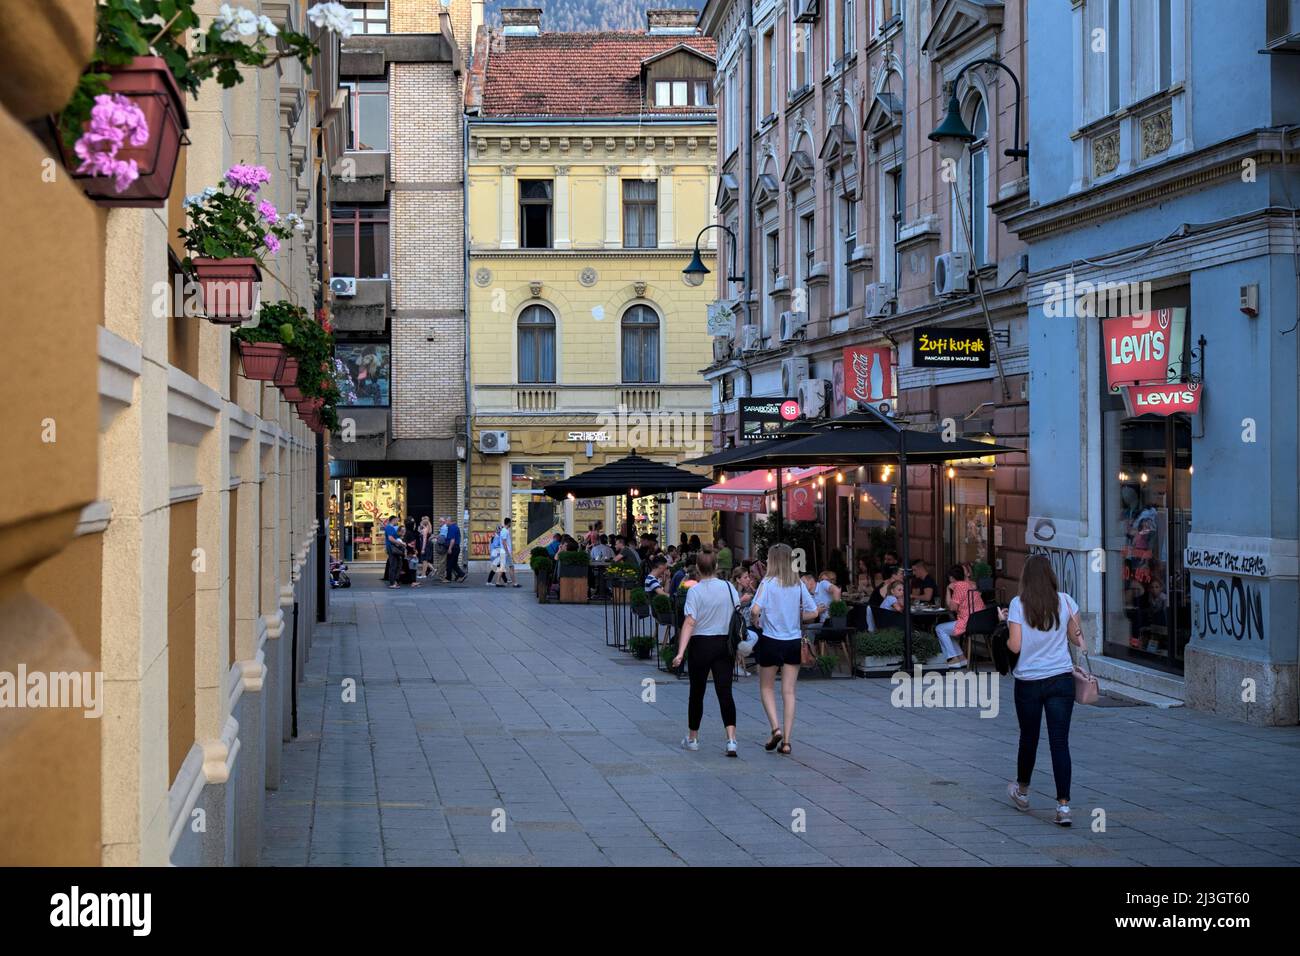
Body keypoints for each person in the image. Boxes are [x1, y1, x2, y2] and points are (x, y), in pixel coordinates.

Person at [1006, 554, 1086, 827]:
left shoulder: (1018, 604)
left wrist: (1005, 627)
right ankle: (1063, 806)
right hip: (1060, 679)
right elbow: (1079, 640)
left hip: (1028, 681)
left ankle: (1023, 792)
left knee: (1028, 738)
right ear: (1050, 575)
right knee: (1059, 742)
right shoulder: (1065, 601)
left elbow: (1015, 647)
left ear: (1026, 578)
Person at [671, 551, 742, 757]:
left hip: (701, 644)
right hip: (724, 644)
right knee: (725, 691)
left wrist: (680, 652)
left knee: (697, 692)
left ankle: (693, 738)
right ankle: (731, 739)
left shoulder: (695, 591)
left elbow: (690, 622)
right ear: (717, 566)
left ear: (698, 568)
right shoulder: (729, 587)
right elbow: (736, 611)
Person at [750, 543, 818, 756]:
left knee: (766, 688)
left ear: (772, 561)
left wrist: (756, 619)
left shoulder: (767, 583)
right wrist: (796, 618)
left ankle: (775, 728)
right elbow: (814, 612)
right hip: (792, 642)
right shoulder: (797, 584)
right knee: (789, 691)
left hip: (770, 640)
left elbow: (754, 609)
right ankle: (787, 741)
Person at [935, 564, 984, 667]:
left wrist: (948, 590)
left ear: (951, 577)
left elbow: (952, 608)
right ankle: (961, 658)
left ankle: (954, 658)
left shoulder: (959, 586)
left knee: (940, 628)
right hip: (980, 620)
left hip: (968, 621)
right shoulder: (970, 584)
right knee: (947, 631)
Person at [496, 517, 520, 587]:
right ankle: (514, 583)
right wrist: (508, 552)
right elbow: (504, 542)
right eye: (511, 523)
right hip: (505, 552)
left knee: (502, 567)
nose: (511, 524)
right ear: (509, 523)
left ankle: (498, 582)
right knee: (511, 567)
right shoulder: (505, 531)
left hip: (503, 552)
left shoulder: (504, 530)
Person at [383, 515, 405, 589]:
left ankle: (394, 581)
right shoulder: (389, 527)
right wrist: (401, 543)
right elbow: (390, 538)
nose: (397, 521)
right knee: (393, 565)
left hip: (393, 548)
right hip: (392, 548)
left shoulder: (391, 527)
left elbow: (394, 537)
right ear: (393, 520)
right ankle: (392, 583)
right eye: (397, 520)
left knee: (397, 564)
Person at [443, 515, 465, 582]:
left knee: (449, 563)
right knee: (454, 563)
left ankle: (448, 578)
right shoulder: (455, 527)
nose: (445, 522)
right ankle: (460, 575)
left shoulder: (452, 528)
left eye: (446, 521)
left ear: (450, 521)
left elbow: (452, 539)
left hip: (453, 548)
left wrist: (450, 548)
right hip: (456, 548)